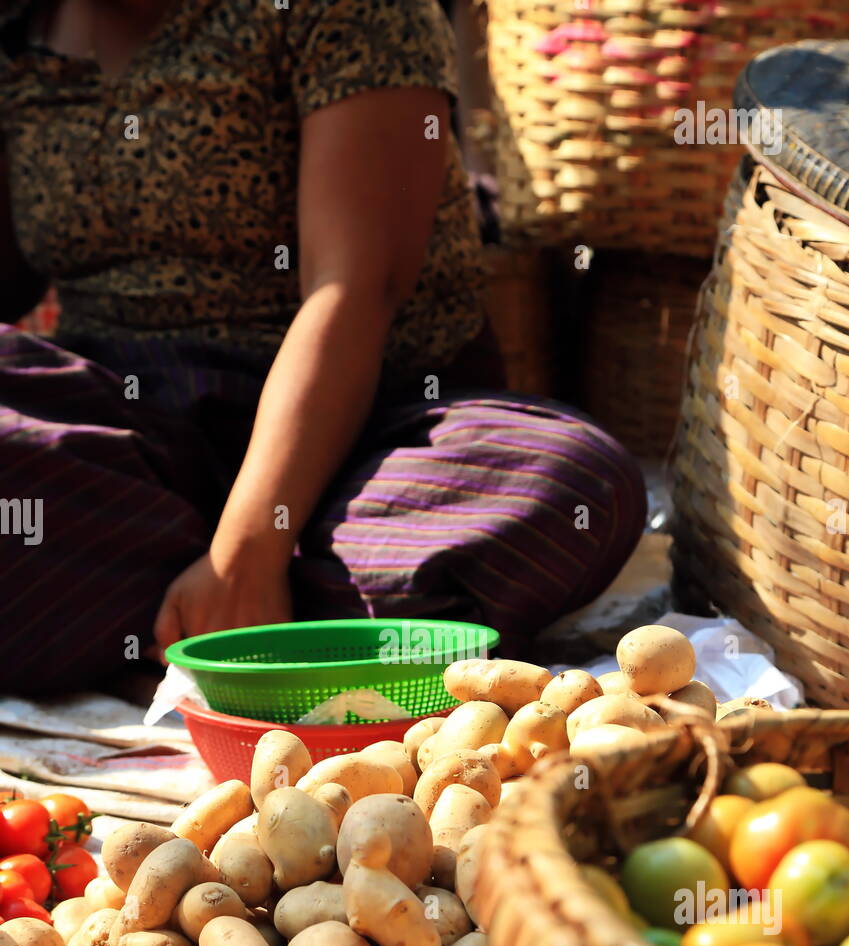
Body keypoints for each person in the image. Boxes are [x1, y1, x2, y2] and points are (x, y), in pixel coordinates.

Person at [0, 0, 646, 694]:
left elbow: (353, 290)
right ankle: (282, 625)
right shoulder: (21, 30)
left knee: (575, 482)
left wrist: (247, 552)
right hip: (124, 442)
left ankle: (195, 603)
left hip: (360, 444)